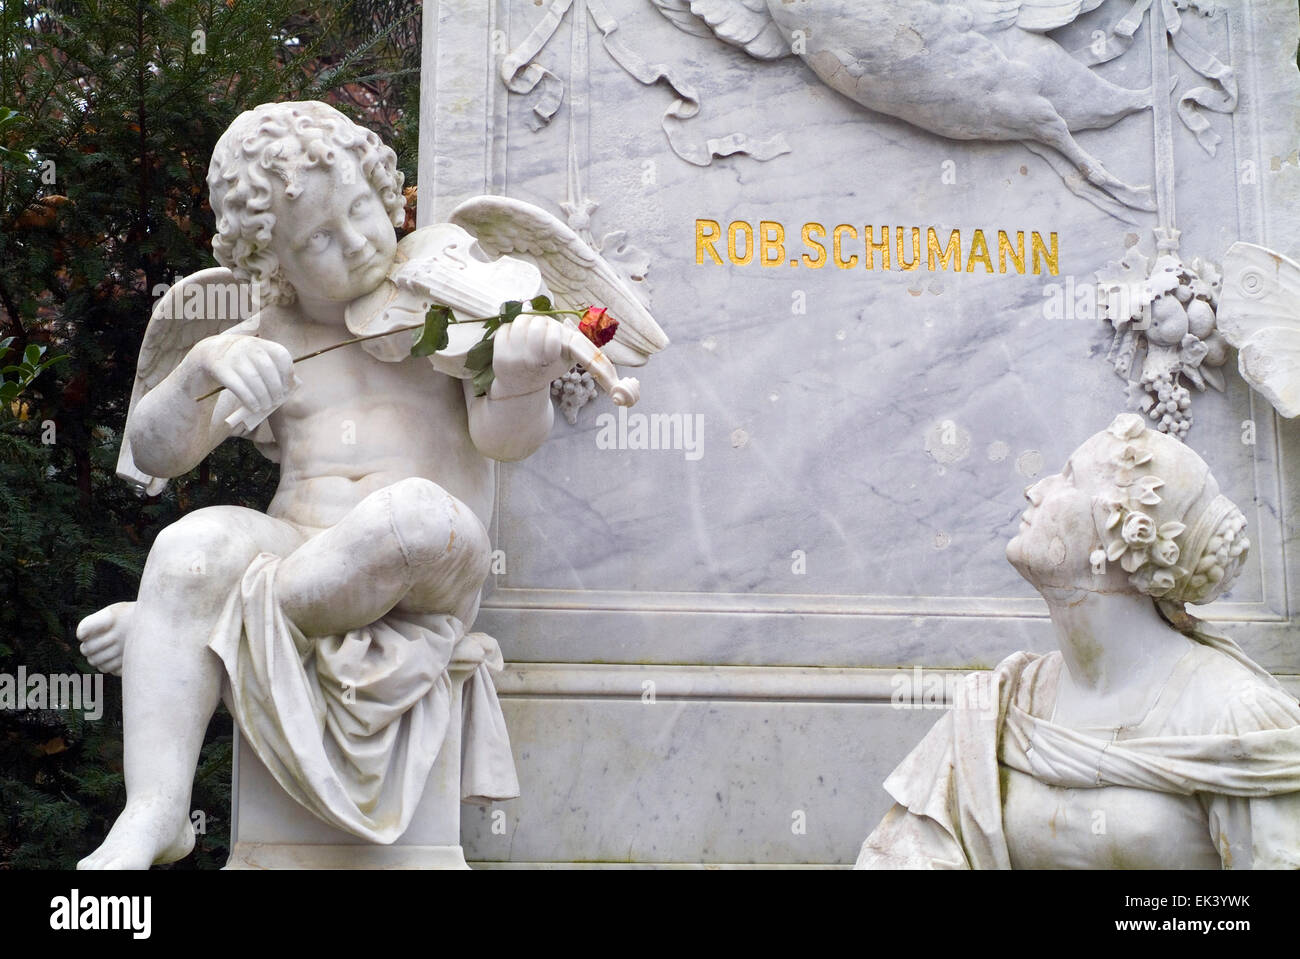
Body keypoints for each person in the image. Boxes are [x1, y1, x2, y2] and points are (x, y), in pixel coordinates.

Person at [75, 101, 573, 869]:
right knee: (190, 545)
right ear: (273, 264)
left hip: (428, 553)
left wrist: (522, 378)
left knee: (404, 516)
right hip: (303, 550)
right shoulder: (266, 334)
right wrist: (203, 369)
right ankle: (156, 809)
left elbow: (504, 439)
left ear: (382, 185)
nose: (361, 239)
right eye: (320, 239)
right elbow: (154, 449)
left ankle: (181, 630)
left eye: (363, 207)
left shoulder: (449, 299)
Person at [857, 412, 1300, 869]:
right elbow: (903, 855)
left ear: (1113, 538)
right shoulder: (1002, 703)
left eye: (1068, 477)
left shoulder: (1234, 715)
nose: (1035, 490)